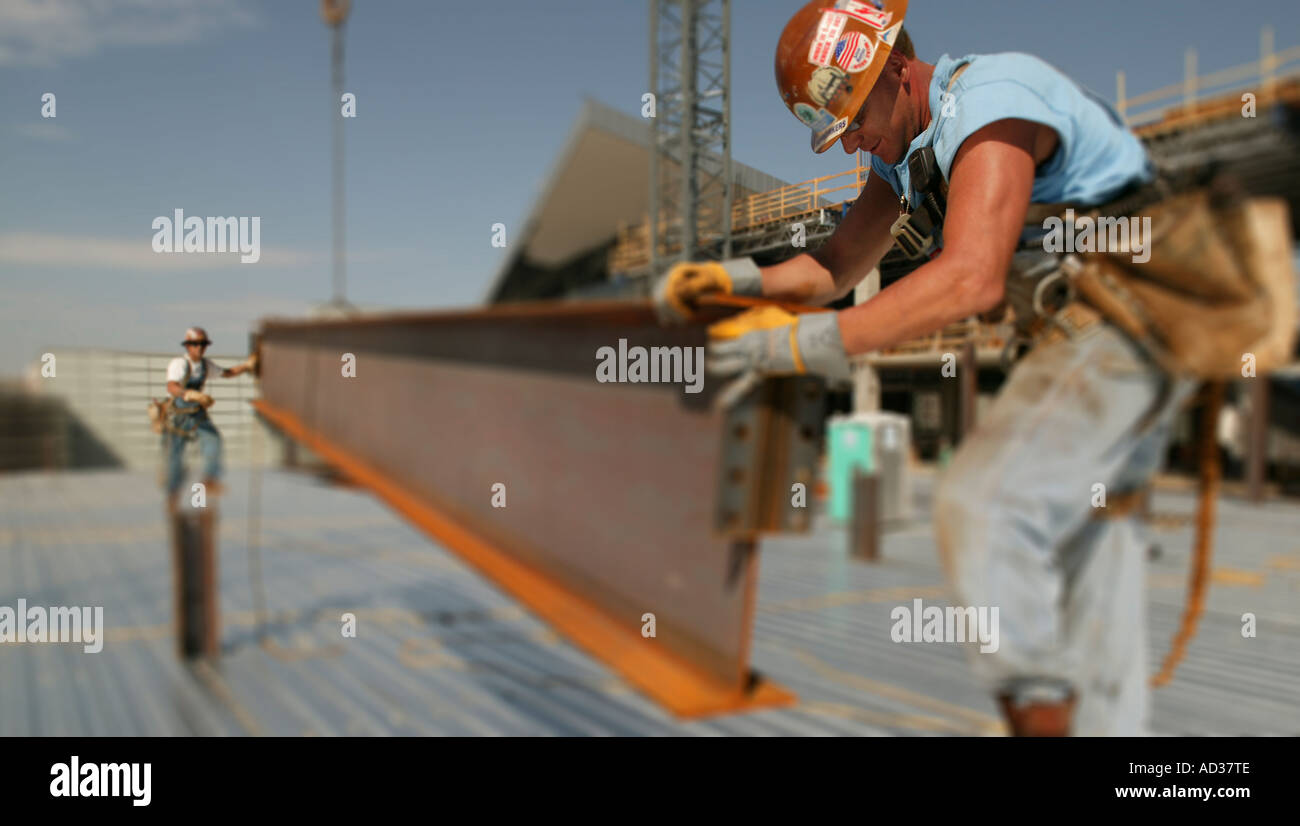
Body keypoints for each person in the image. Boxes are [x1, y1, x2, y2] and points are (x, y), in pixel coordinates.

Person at [656, 0, 1202, 735]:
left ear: (895, 70)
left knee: (984, 503)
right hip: (1092, 330)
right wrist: (739, 281)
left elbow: (970, 277)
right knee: (1090, 554)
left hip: (1141, 316)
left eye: (857, 122)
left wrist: (799, 348)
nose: (857, 147)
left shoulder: (991, 101)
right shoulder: (907, 148)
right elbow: (837, 265)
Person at [162, 327, 255, 504]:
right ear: (188, 346)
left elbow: (226, 373)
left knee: (213, 440)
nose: (199, 348)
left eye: (202, 344)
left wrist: (246, 366)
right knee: (175, 455)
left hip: (196, 414)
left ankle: (207, 482)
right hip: (178, 415)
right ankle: (172, 495)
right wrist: (187, 394)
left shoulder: (205, 366)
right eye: (195, 344)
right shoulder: (179, 364)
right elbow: (171, 386)